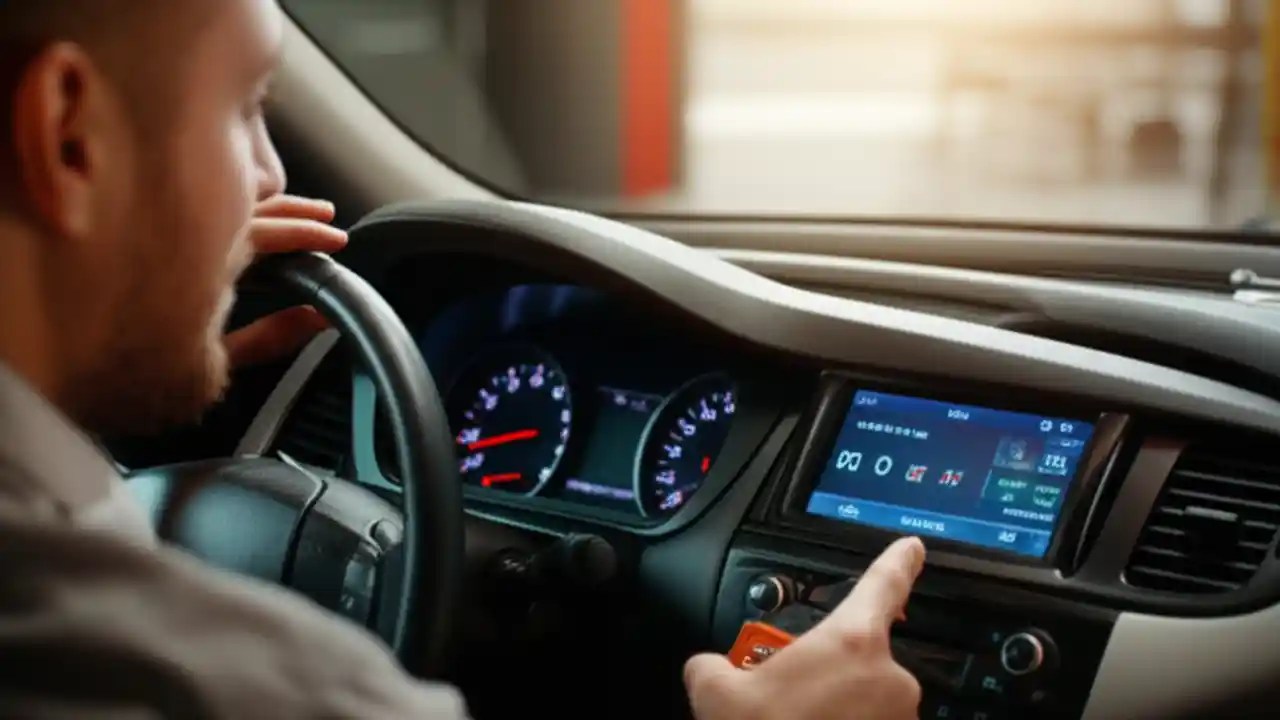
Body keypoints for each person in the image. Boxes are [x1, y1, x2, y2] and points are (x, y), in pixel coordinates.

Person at [0, 0, 927, 717]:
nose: (273, 180)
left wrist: (61, 362)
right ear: (71, 136)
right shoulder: (242, 691)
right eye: (243, 109)